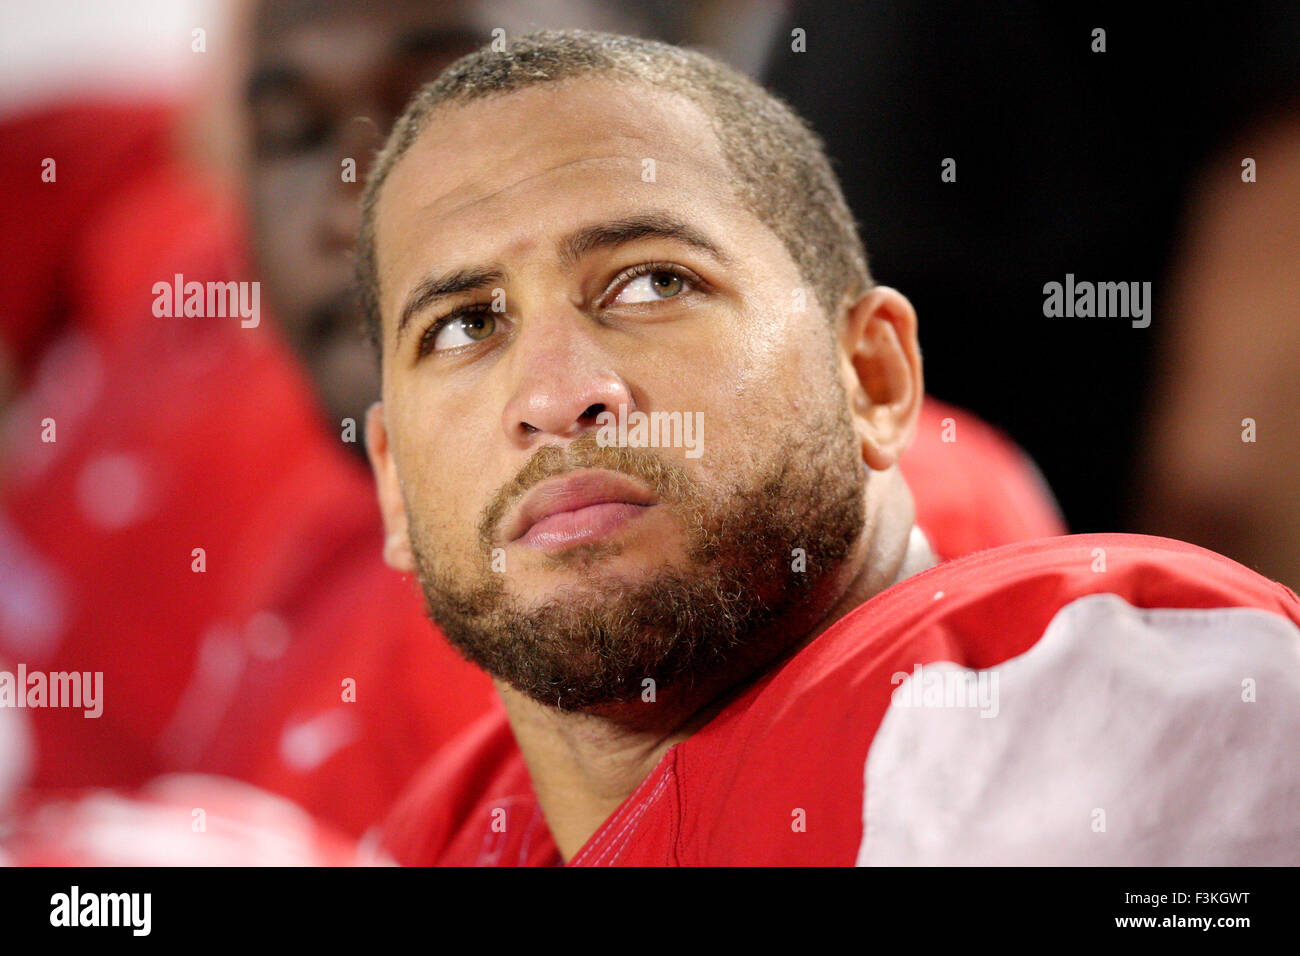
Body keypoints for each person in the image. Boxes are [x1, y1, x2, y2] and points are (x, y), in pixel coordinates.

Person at [361, 31, 1300, 865]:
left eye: (650, 283)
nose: (558, 398)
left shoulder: (1075, 694)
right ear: (394, 485)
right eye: (461, 325)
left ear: (873, 376)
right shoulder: (440, 829)